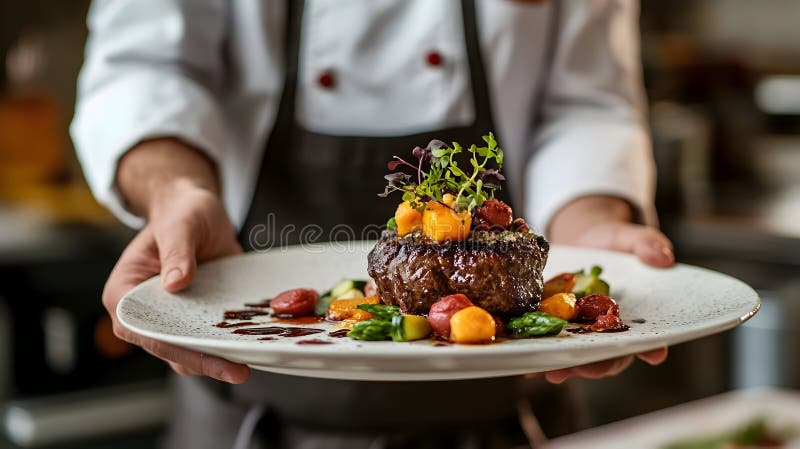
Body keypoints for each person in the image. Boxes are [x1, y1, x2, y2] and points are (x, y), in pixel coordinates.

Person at [72, 0, 673, 447]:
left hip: (512, 414)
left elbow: (585, 101)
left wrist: (592, 222)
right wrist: (176, 192)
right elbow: (141, 69)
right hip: (242, 415)